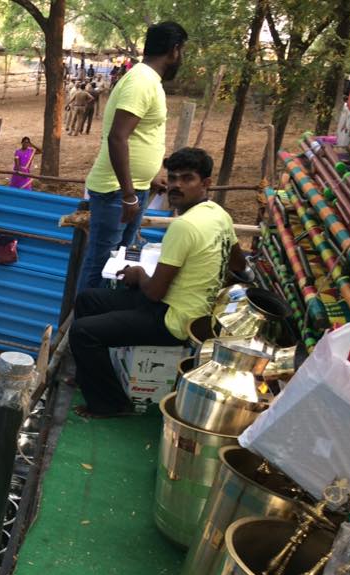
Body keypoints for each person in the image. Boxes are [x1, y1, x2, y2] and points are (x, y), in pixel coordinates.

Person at [69, 147, 245, 418]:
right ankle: (88, 378)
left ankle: (111, 405)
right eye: (172, 178)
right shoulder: (218, 214)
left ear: (206, 184)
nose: (176, 186)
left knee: (83, 332)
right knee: (88, 299)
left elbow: (153, 292)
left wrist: (138, 274)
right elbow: (238, 264)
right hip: (187, 306)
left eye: (187, 179)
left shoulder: (184, 226)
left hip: (174, 319)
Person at [77, 21, 188, 293]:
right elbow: (118, 137)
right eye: (182, 51)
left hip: (131, 189)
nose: (182, 57)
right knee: (101, 264)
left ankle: (99, 323)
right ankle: (84, 327)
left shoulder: (148, 80)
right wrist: (128, 194)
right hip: (118, 193)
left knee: (119, 262)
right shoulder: (141, 82)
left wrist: (147, 180)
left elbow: (137, 138)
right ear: (174, 50)